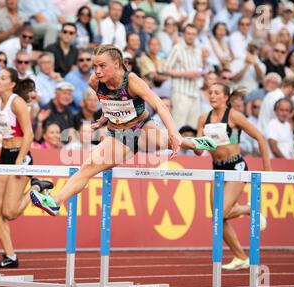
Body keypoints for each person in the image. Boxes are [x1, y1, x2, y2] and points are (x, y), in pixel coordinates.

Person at [29, 44, 217, 216]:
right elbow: (108, 101)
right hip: (119, 135)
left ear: (117, 64)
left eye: (102, 66)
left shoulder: (132, 80)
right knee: (87, 167)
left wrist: (176, 133)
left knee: (164, 141)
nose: (97, 71)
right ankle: (55, 202)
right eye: (95, 66)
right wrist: (104, 118)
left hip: (142, 127)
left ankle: (191, 143)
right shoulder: (95, 81)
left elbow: (160, 105)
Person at [0, 68, 53, 268]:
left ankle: (36, 188)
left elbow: (29, 134)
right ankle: (10, 256)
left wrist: (20, 159)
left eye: (3, 78)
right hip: (4, 156)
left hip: (20, 156)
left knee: (10, 213)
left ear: (12, 84)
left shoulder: (17, 102)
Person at [195, 83, 271, 271]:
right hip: (217, 170)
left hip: (236, 167)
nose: (212, 95)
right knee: (217, 218)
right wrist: (192, 143)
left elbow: (260, 138)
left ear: (226, 97)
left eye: (217, 93)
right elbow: (198, 151)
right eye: (210, 92)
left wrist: (267, 169)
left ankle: (248, 208)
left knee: (220, 213)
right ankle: (240, 256)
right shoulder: (203, 118)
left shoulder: (235, 116)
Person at [164, 23, 203, 129]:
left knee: (193, 127)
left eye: (193, 34)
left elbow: (199, 68)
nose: (191, 36)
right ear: (184, 34)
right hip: (180, 92)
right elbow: (166, 69)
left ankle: (189, 146)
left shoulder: (198, 50)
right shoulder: (177, 48)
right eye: (189, 33)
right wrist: (186, 74)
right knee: (179, 126)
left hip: (194, 92)